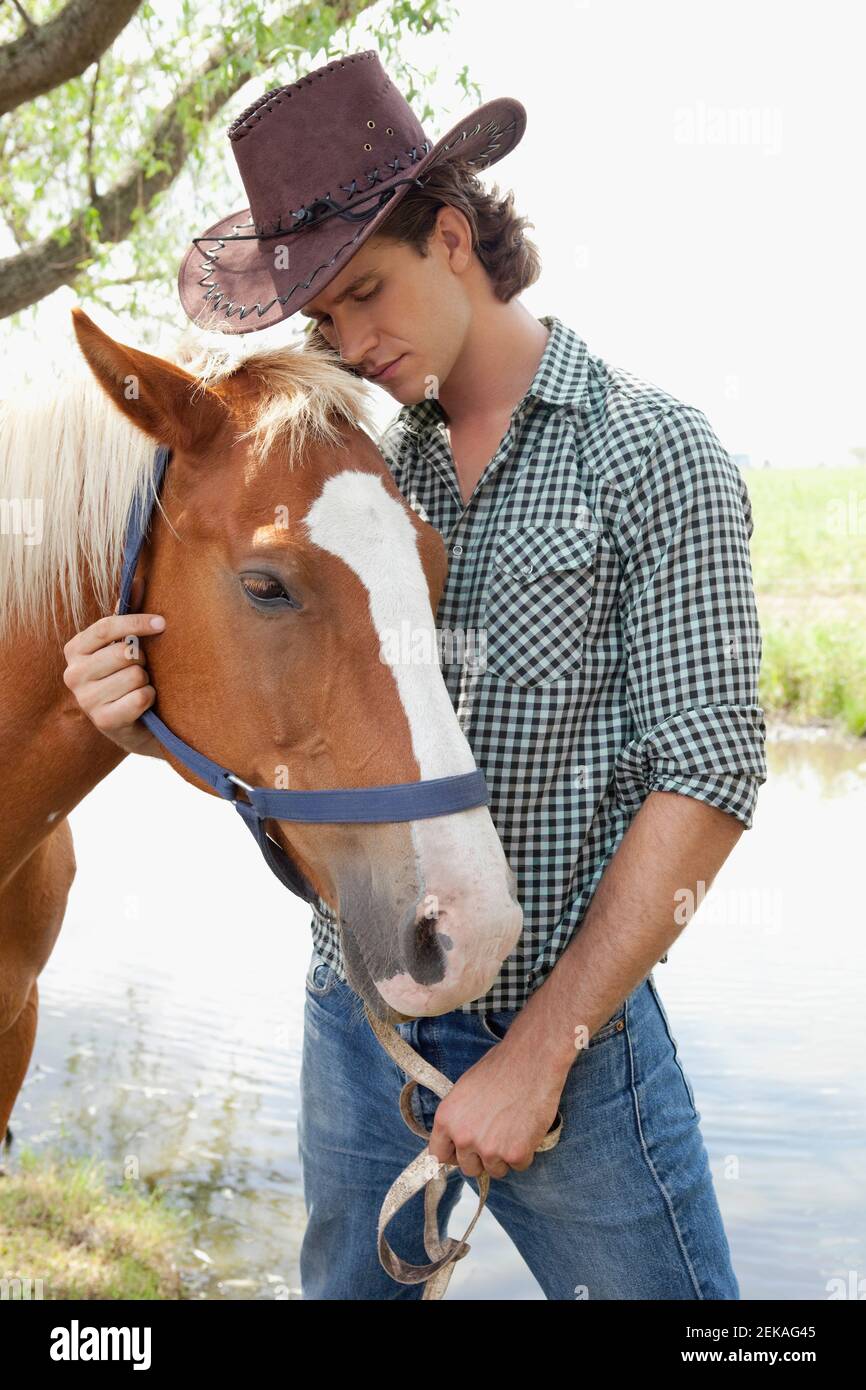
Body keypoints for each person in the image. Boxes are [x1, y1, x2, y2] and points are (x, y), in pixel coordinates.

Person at [63, 50, 767, 1299]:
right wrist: (142, 724)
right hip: (358, 1022)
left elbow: (708, 771)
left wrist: (541, 1050)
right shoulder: (361, 477)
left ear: (454, 239)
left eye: (366, 293)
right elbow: (310, 746)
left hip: (574, 1054)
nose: (350, 341)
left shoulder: (654, 452)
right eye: (324, 320)